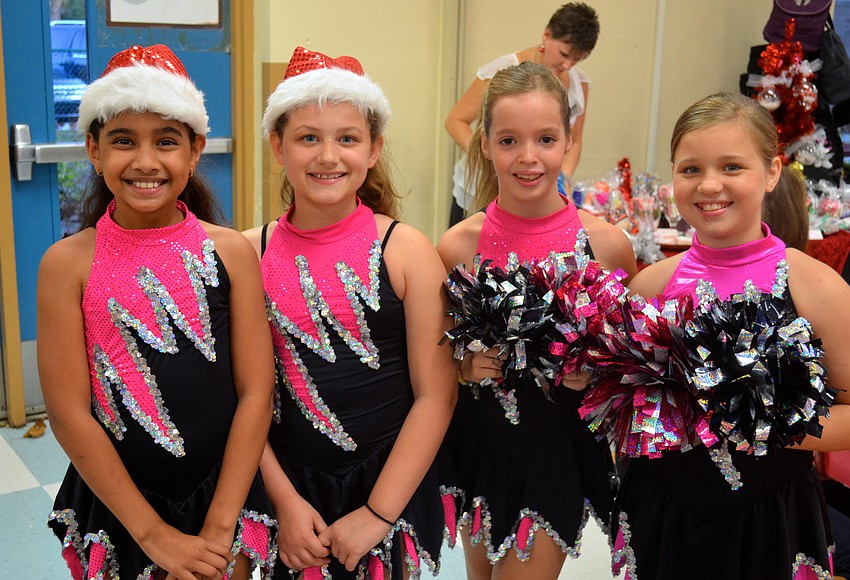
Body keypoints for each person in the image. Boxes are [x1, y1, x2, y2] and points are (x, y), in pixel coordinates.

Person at [38, 45, 278, 579]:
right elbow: (70, 413)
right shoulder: (66, 264)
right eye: (123, 141)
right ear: (94, 152)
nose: (145, 162)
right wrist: (155, 535)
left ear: (194, 152)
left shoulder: (230, 252)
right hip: (119, 502)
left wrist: (219, 527)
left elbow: (256, 391)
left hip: (223, 496)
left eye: (165, 142)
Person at [611, 92, 850, 579]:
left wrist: (771, 425)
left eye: (732, 167)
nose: (710, 185)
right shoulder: (652, 285)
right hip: (660, 509)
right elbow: (622, 411)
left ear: (772, 172)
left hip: (770, 518)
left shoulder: (817, 288)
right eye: (691, 169)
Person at [243, 47, 457, 579]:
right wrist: (285, 502)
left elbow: (437, 393)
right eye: (308, 137)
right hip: (284, 487)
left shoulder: (404, 250)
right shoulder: (248, 253)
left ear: (374, 148)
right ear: (278, 146)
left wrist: (378, 513)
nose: (327, 156)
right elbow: (240, 397)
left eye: (347, 138)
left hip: (386, 481)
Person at [437, 61, 636, 580]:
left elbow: (638, 362)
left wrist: (600, 374)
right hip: (480, 447)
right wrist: (460, 367)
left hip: (558, 454)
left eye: (546, 139)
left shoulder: (608, 246)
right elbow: (430, 358)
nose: (528, 158)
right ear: (484, 143)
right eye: (509, 140)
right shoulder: (457, 246)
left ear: (567, 140)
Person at [445, 2, 600, 225]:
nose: (568, 64)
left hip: (534, 193)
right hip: (483, 189)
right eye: (564, 53)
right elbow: (455, 121)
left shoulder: (579, 83)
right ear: (546, 35)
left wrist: (561, 176)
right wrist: (494, 158)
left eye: (577, 59)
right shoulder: (499, 72)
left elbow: (575, 141)